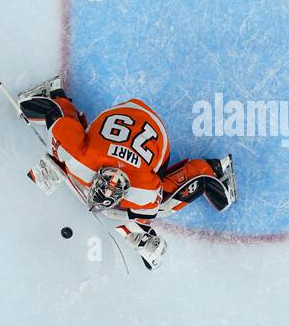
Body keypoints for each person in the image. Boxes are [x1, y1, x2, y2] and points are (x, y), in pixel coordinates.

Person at [17, 76, 235, 268]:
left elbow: (60, 124)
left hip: (150, 126)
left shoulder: (142, 190)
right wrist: (138, 234)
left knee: (163, 205)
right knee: (64, 142)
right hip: (136, 122)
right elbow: (59, 126)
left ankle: (209, 171)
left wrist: (57, 160)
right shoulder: (83, 162)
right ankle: (212, 168)